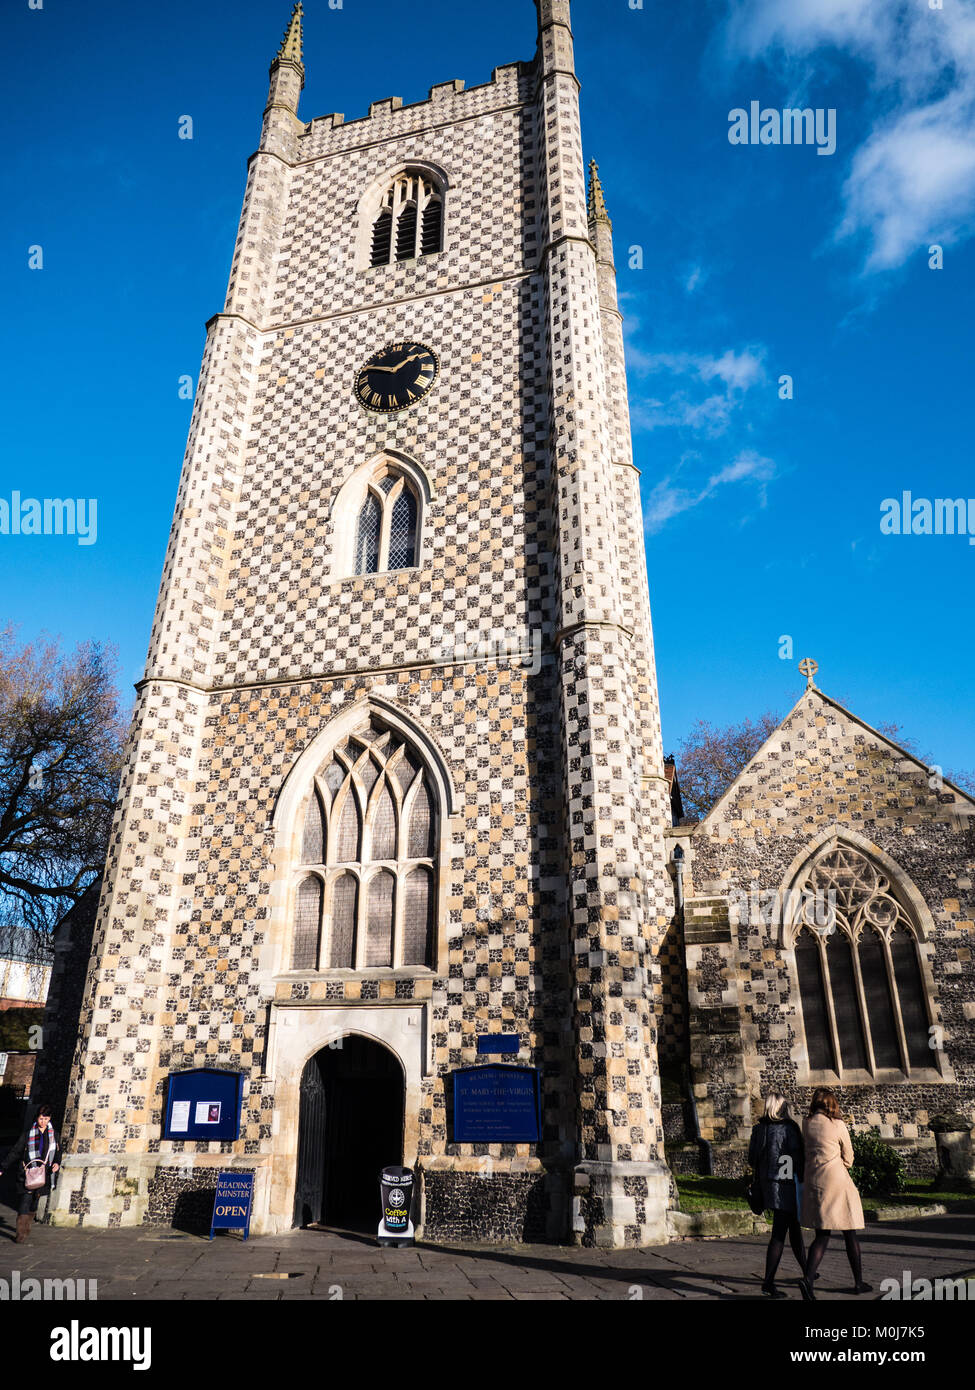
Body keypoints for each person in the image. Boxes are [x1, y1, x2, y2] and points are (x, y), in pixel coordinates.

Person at [798, 1087, 870, 1299]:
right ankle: (858, 1283)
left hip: (815, 1181)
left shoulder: (807, 1123)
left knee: (822, 1235)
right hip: (837, 1181)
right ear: (831, 1104)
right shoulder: (837, 1124)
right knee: (850, 1232)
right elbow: (849, 1156)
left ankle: (808, 1279)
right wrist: (842, 1165)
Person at [748, 1092, 807, 1298]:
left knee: (794, 1230)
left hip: (768, 1186)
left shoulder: (758, 1129)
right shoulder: (788, 1128)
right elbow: (796, 1159)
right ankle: (768, 1283)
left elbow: (751, 1159)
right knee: (779, 1234)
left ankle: (808, 1272)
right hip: (786, 1186)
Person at [0, 1101, 61, 1244]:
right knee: (25, 1201)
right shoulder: (28, 1134)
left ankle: (27, 1224)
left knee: (34, 1202)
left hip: (43, 1174)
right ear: (37, 1118)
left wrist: (57, 1163)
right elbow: (16, 1151)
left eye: (46, 1119)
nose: (43, 1121)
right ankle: (20, 1233)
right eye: (41, 1118)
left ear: (49, 1119)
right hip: (27, 1173)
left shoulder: (54, 1136)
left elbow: (58, 1152)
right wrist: (3, 1167)